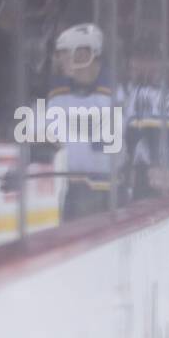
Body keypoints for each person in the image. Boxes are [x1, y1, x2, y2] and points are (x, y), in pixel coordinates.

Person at [49, 24, 124, 222]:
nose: (59, 60)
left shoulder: (113, 92)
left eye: (64, 53)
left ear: (83, 55)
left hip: (105, 196)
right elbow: (52, 138)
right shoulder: (58, 93)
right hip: (72, 193)